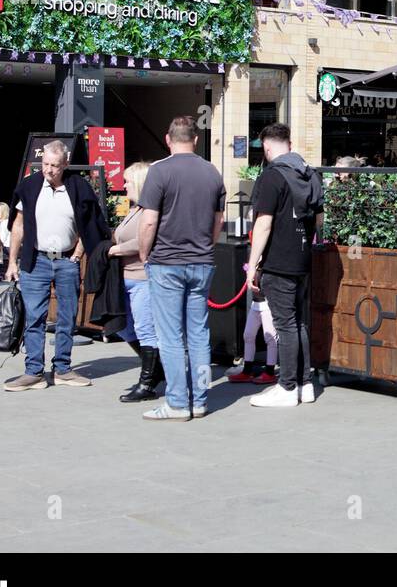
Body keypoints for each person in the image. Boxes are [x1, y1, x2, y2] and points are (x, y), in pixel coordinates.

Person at [136, 116, 228, 419]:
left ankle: (176, 402)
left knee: (171, 336)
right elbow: (218, 222)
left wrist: (144, 253)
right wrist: (206, 247)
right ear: (196, 139)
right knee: (199, 333)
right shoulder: (212, 173)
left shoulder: (159, 171)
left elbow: (149, 219)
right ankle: (199, 400)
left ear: (167, 139)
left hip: (167, 262)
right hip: (201, 261)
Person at [3, 140, 108, 391]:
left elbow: (90, 223)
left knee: (67, 317)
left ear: (66, 164)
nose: (49, 170)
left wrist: (77, 254)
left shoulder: (78, 187)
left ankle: (62, 369)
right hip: (35, 259)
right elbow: (18, 225)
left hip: (66, 260)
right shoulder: (29, 186)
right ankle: (34, 372)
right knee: (34, 317)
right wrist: (11, 262)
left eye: (55, 166)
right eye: (45, 164)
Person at [246, 122, 324, 409]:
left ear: (267, 148)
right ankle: (305, 384)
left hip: (278, 260)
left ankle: (288, 386)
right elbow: (319, 220)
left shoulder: (272, 177)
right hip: (303, 259)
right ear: (288, 144)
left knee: (285, 325)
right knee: (299, 322)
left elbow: (263, 223)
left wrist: (253, 264)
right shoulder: (310, 173)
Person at [111, 161, 166, 403]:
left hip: (142, 278)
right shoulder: (134, 209)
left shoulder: (148, 212)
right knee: (123, 326)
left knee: (146, 330)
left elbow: (145, 241)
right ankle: (155, 370)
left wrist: (116, 249)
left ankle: (147, 382)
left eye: (127, 181)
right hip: (126, 277)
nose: (123, 185)